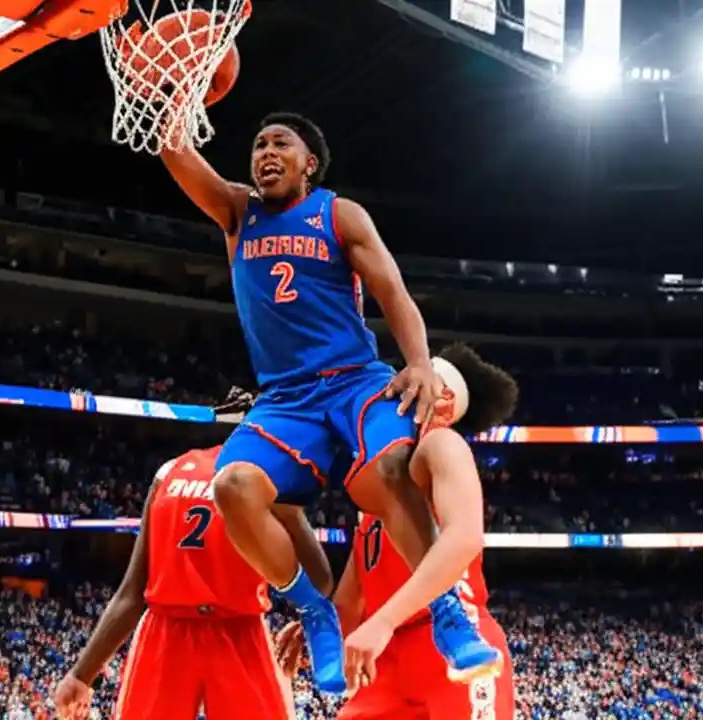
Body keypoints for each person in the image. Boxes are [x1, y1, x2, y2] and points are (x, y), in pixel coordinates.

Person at [159, 112, 498, 692]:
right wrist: (169, 99)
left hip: (354, 379)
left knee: (386, 474)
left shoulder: (338, 214)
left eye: (281, 144)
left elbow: (391, 289)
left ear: (308, 163)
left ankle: (447, 613)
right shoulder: (239, 211)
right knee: (232, 488)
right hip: (285, 398)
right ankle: (313, 610)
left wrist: (417, 361)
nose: (266, 151)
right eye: (259, 143)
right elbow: (180, 157)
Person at [278, 343, 518, 719]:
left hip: (452, 644)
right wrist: (319, 626)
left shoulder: (441, 444)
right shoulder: (379, 490)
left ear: (442, 399)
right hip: (389, 658)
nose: (392, 388)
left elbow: (465, 537)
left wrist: (384, 621)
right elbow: (352, 601)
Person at [52, 442, 331, 720]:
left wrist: (81, 675)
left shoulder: (169, 472)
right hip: (238, 632)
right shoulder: (268, 472)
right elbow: (321, 578)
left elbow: (131, 593)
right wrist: (308, 618)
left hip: (166, 633)